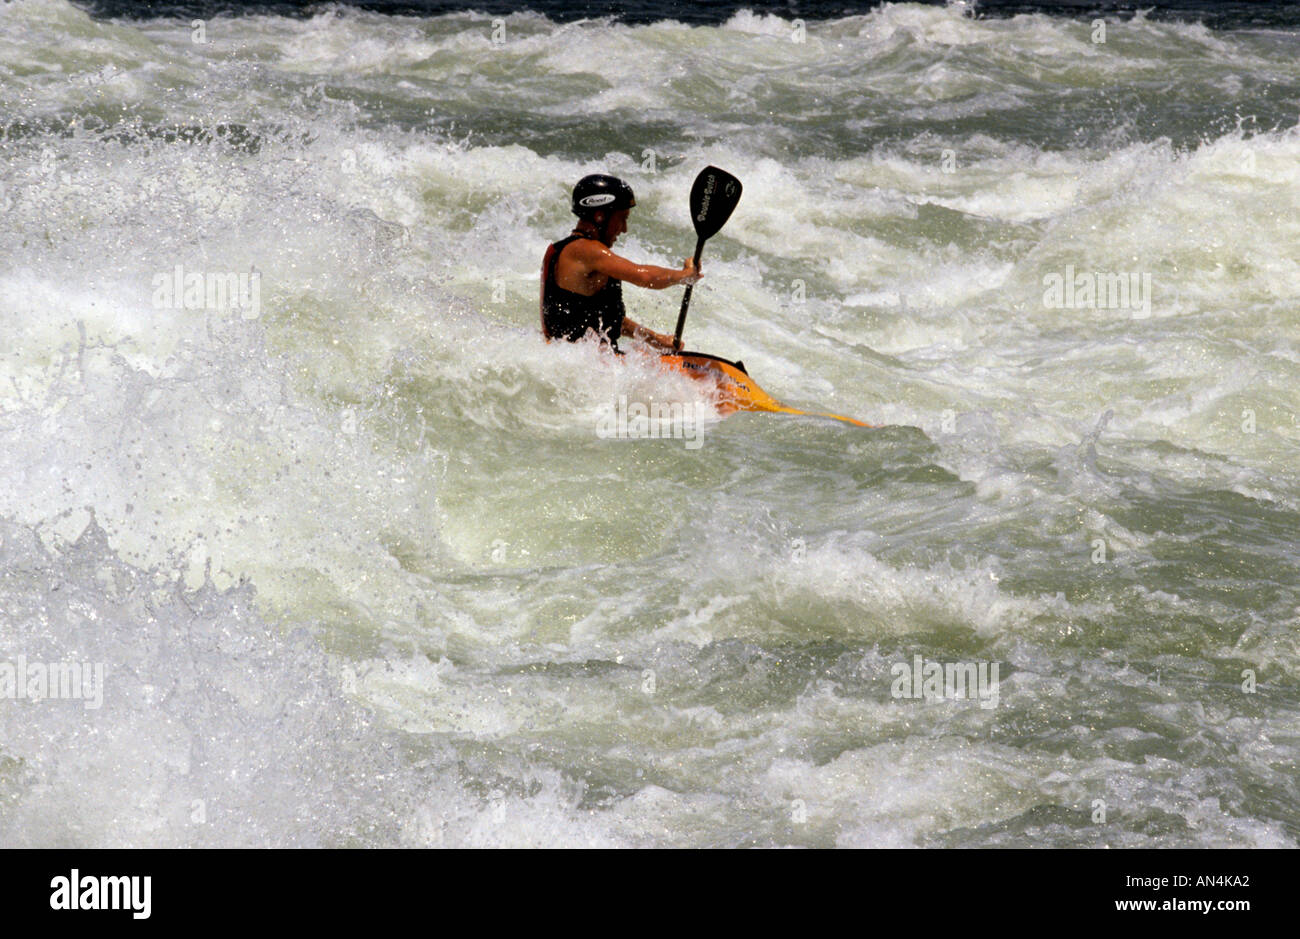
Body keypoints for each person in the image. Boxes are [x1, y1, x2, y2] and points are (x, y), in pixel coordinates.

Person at [540, 174, 700, 353]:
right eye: (622, 218)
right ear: (600, 216)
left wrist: (655, 339)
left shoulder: (577, 252)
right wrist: (685, 275)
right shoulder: (585, 250)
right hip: (584, 367)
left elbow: (606, 320)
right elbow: (645, 277)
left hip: (581, 363)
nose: (624, 229)